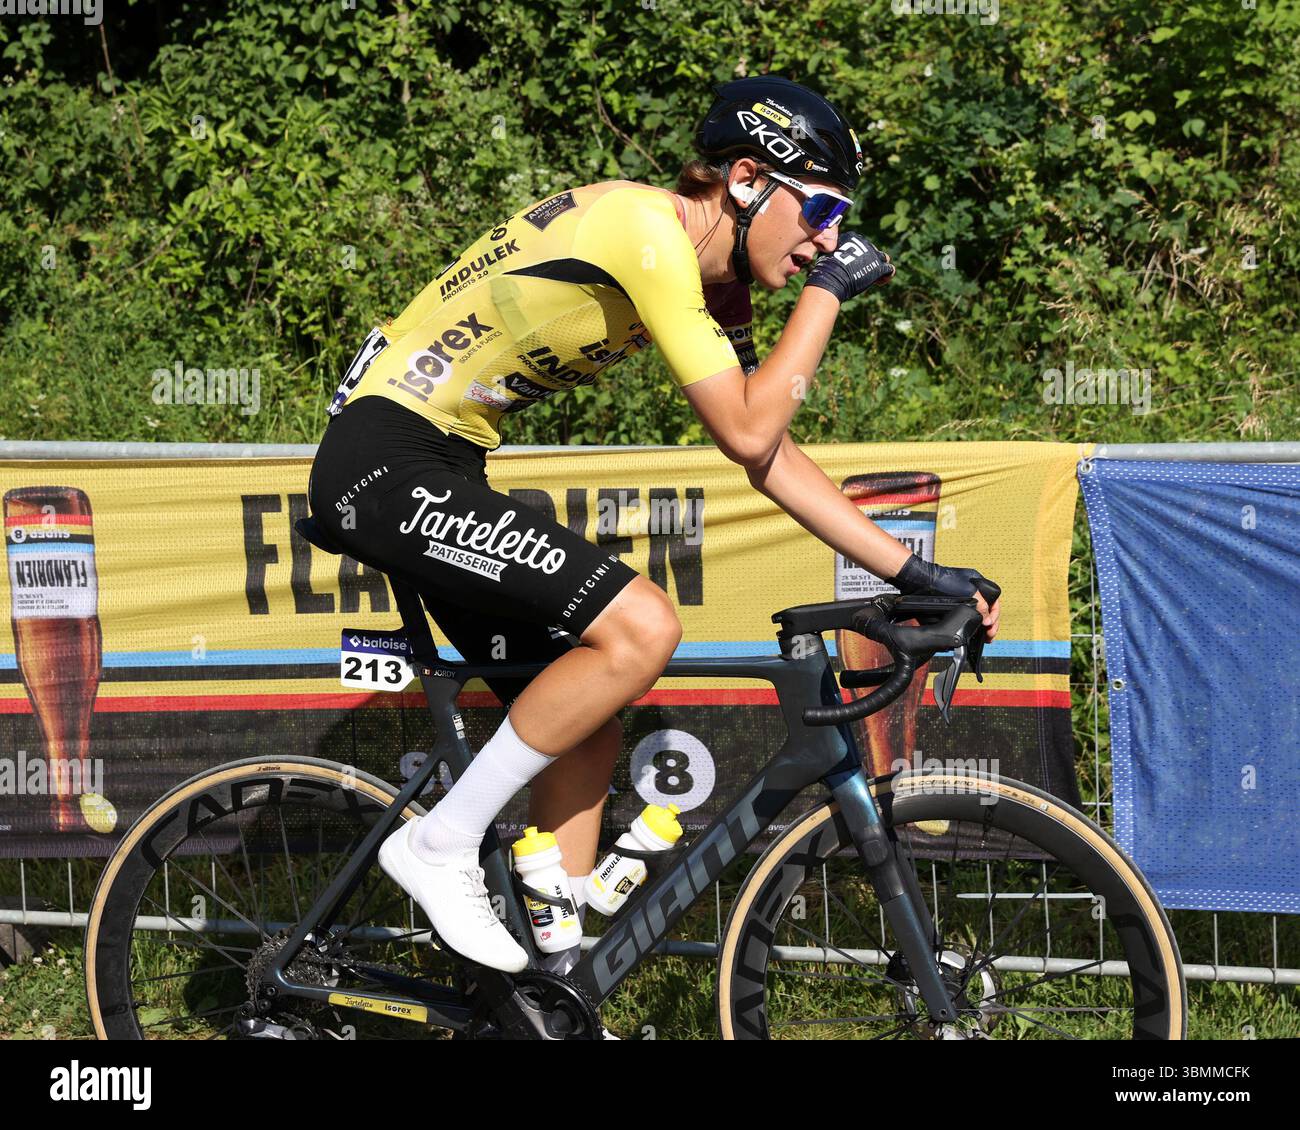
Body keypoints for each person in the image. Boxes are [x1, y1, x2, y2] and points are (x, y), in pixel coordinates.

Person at [306, 75, 1001, 982]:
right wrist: (827, 293)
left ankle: (554, 989)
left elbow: (764, 451)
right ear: (747, 179)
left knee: (581, 716)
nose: (829, 238)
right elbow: (753, 427)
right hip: (384, 461)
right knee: (643, 626)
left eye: (837, 222)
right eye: (821, 209)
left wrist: (913, 571)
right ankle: (439, 846)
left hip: (443, 464)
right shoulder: (646, 230)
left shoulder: (713, 283)